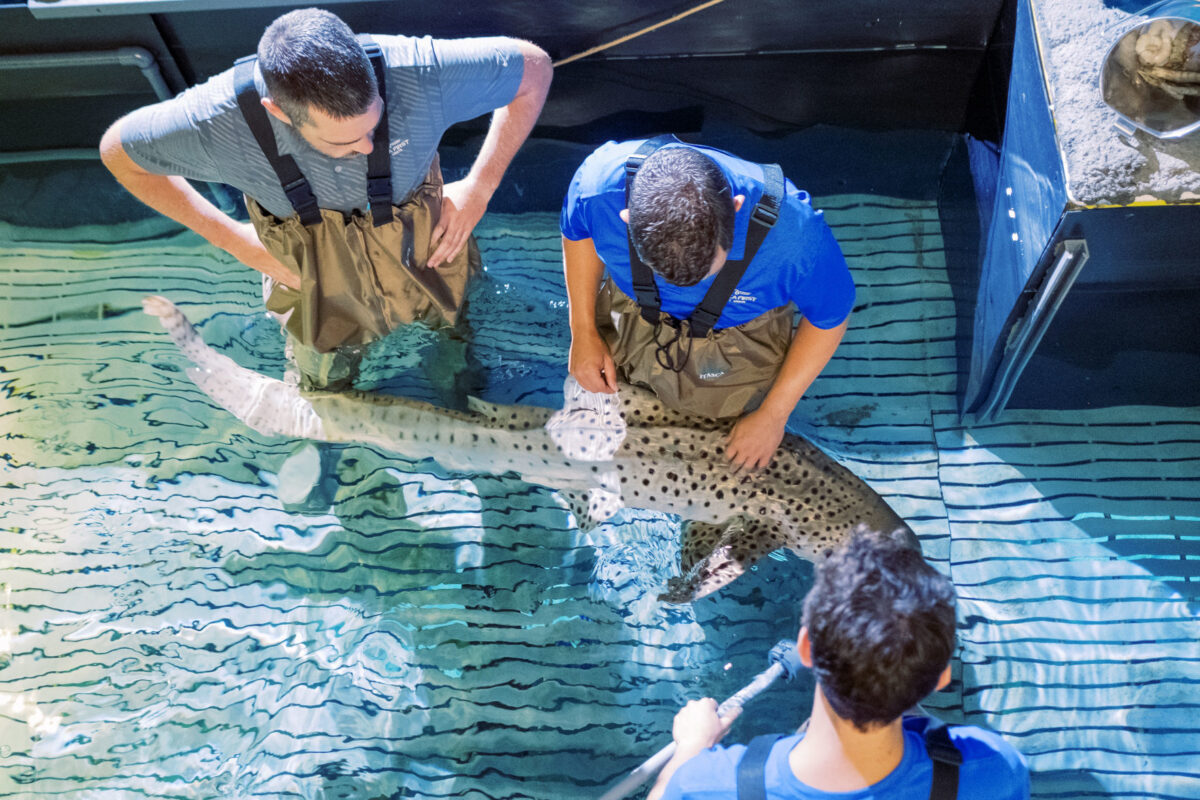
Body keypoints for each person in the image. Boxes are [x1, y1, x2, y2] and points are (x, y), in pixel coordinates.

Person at [100, 8, 551, 390]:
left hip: (425, 245)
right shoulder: (213, 121)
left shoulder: (421, 69)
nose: (367, 148)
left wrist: (479, 189)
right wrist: (236, 241)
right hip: (309, 268)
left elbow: (535, 68)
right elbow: (118, 153)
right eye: (344, 141)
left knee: (459, 362)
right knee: (322, 388)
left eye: (372, 127)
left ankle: (461, 402)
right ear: (278, 111)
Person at [648, 527, 1030, 800]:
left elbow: (668, 791)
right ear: (940, 677)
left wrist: (691, 745)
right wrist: (906, 673)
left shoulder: (708, 783)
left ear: (805, 647)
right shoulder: (992, 768)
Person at [560, 138, 854, 472]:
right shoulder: (597, 191)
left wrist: (773, 414)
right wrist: (582, 330)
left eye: (705, 273)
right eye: (663, 272)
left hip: (739, 334)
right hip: (634, 308)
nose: (685, 288)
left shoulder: (798, 239)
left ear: (736, 206)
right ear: (626, 217)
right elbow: (577, 232)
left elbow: (829, 317)